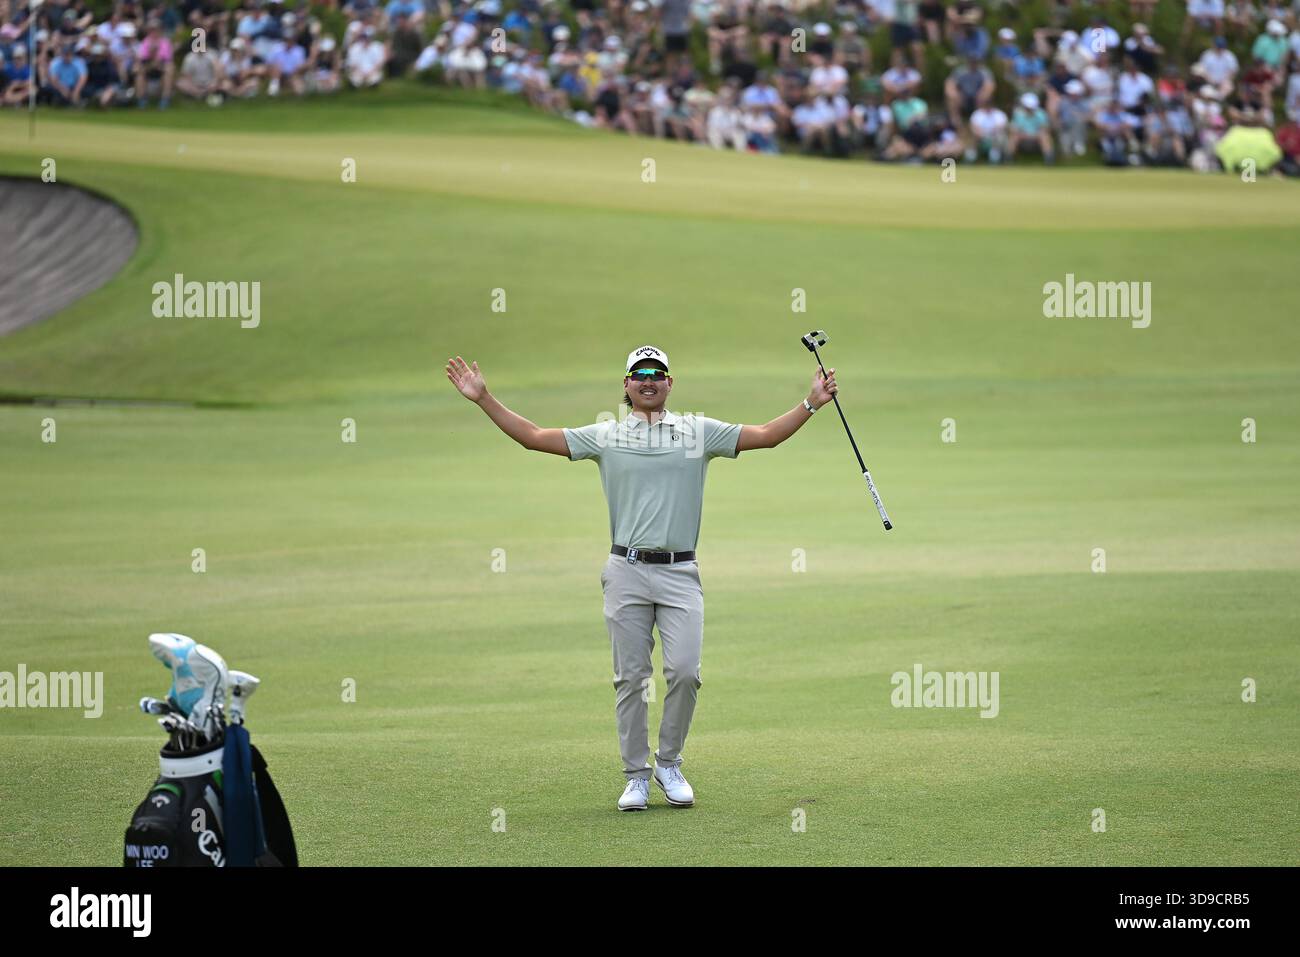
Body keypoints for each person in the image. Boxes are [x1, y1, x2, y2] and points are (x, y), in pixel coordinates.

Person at [444, 348, 841, 812]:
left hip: (680, 572)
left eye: (657, 374)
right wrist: (484, 398)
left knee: (686, 673)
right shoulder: (606, 436)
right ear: (627, 385)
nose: (648, 381)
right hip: (626, 571)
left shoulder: (697, 432)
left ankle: (668, 763)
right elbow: (533, 437)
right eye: (639, 375)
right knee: (630, 679)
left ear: (670, 383)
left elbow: (767, 436)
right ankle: (635, 776)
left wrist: (811, 403)